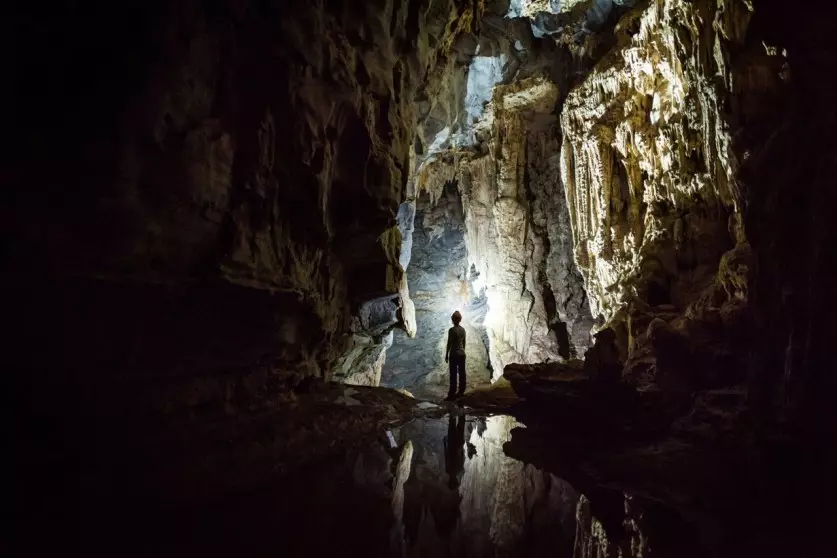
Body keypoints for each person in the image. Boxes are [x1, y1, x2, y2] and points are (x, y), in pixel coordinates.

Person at [445, 311, 467, 401]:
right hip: (462, 354)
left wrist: (446, 354)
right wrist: (462, 351)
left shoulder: (451, 330)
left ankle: (451, 394)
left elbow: (449, 343)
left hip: (454, 354)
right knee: (462, 374)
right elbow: (464, 343)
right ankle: (461, 392)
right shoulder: (463, 330)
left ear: (453, 319)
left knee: (453, 375)